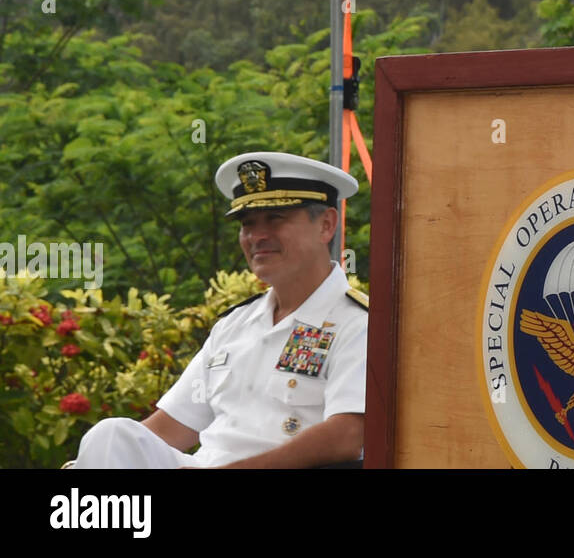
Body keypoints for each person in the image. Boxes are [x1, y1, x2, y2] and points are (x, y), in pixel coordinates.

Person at [72, 152, 367, 468]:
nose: (257, 236)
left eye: (276, 218)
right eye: (247, 224)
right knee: (113, 434)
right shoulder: (235, 325)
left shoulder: (358, 323)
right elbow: (168, 429)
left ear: (326, 225)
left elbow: (348, 436)